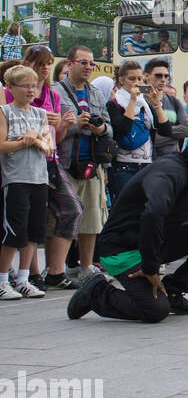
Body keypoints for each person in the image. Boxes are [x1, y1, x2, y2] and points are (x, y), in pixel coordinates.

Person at [66, 131, 188, 322]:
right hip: (122, 248)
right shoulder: (169, 172)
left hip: (156, 241)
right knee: (155, 310)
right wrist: (150, 268)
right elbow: (152, 216)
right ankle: (96, 292)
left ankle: (173, 292)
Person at [6, 47, 80, 290]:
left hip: (48, 163)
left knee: (70, 210)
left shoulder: (52, 95)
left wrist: (64, 126)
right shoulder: (9, 96)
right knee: (19, 222)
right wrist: (33, 137)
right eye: (40, 63)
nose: (46, 68)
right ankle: (25, 275)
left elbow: (53, 139)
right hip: (17, 167)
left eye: (49, 63)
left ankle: (50, 271)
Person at [55, 46, 113, 284]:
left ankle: (86, 267)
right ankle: (58, 270)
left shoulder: (97, 93)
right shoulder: (55, 91)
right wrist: (75, 124)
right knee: (62, 218)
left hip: (92, 162)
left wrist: (100, 128)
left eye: (92, 64)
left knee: (91, 217)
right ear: (70, 63)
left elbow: (109, 126)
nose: (89, 67)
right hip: (65, 162)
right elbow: (51, 128)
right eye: (84, 62)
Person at [1, 65, 56, 300]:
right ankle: (3, 280)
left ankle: (24, 278)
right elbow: (3, 145)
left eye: (33, 85)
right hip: (15, 179)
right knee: (14, 231)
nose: (31, 90)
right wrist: (28, 140)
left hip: (39, 178)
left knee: (35, 232)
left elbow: (49, 147)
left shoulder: (40, 114)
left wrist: (35, 139)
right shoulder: (4, 112)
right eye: (25, 86)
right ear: (11, 88)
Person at [106, 60, 169, 203]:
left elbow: (166, 130)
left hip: (147, 164)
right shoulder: (114, 104)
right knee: (125, 209)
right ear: (121, 80)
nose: (137, 82)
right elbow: (123, 128)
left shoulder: (145, 103)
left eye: (140, 79)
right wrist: (132, 101)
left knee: (146, 209)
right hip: (123, 167)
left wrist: (157, 104)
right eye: (132, 78)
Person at [144, 58, 188, 158]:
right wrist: (173, 136)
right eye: (158, 75)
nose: (163, 79)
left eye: (166, 76)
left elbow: (187, 130)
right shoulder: (139, 101)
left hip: (172, 158)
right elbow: (142, 136)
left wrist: (160, 132)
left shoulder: (174, 101)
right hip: (147, 160)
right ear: (146, 76)